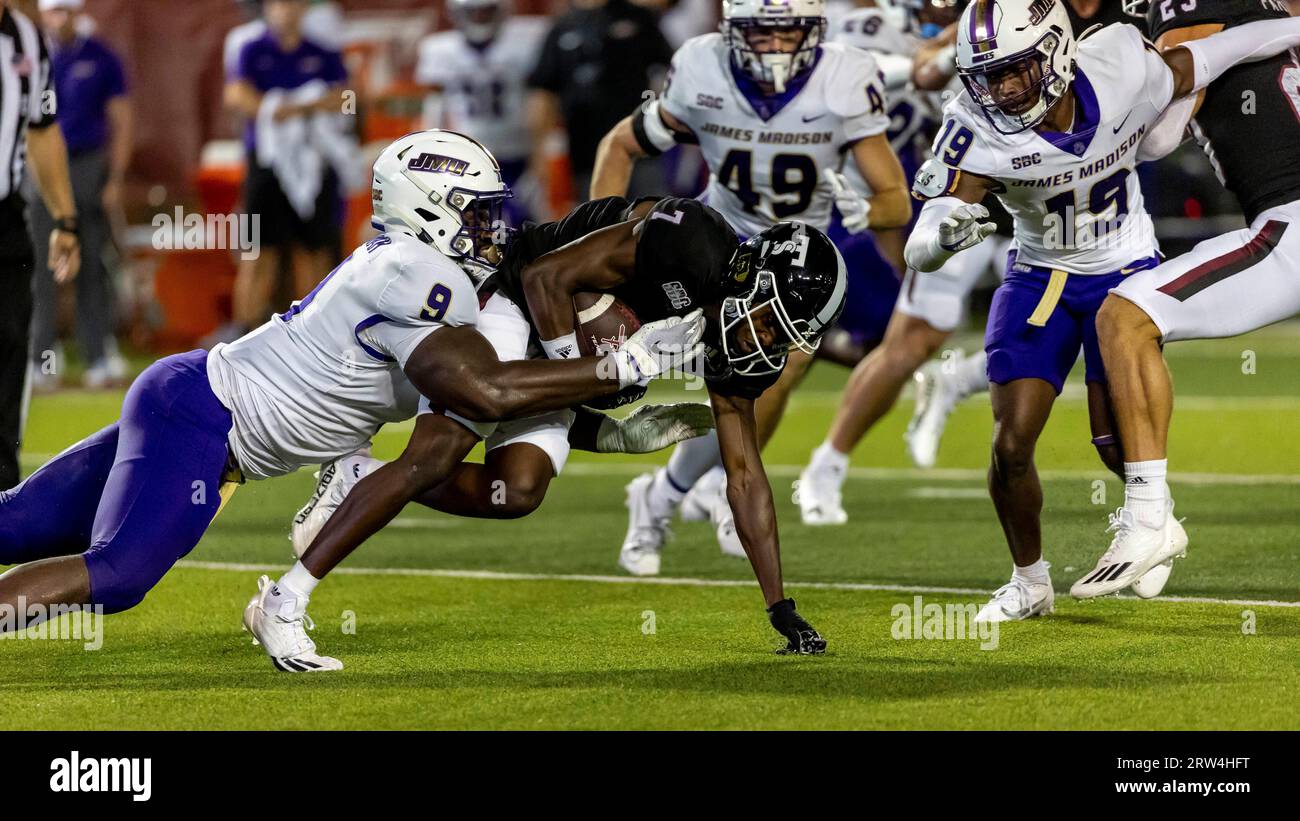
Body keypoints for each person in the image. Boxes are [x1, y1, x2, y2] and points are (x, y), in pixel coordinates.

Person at [0, 130, 701, 644]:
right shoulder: (419, 275)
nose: (492, 228)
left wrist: (597, 422)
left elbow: (485, 400)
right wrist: (625, 366)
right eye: (475, 210)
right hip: (203, 418)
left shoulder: (419, 270)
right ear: (432, 208)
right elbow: (486, 391)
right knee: (119, 573)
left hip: (195, 406)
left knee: (18, 525)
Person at [249, 201, 847, 669]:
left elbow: (744, 477)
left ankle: (358, 474)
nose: (762, 341)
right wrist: (579, 379)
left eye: (782, 336)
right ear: (750, 276)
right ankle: (287, 598)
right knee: (435, 456)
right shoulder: (688, 240)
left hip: (582, 349)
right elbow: (544, 275)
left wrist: (779, 605)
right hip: (514, 296)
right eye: (769, 319)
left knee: (517, 490)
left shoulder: (745, 349)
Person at [903, 0, 1300, 621]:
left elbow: (1206, 58)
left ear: (1058, 51)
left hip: (1125, 262)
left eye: (1016, 70)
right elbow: (922, 236)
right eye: (989, 76)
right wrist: (939, 239)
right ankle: (1030, 581)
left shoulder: (1116, 62)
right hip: (1042, 275)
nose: (1002, 90)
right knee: (1010, 446)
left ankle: (1153, 518)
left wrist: (1290, 28)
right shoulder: (973, 125)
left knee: (1114, 442)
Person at [589, 0, 911, 573]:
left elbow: (895, 199)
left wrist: (867, 210)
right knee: (749, 378)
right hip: (720, 238)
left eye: (790, 32)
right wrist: (601, 235)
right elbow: (621, 144)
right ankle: (704, 487)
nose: (777, 46)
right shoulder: (702, 68)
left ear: (813, 32)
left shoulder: (844, 78)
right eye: (762, 32)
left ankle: (667, 494)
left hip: (799, 253)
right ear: (733, 32)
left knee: (766, 380)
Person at [1071, 0, 1300, 598]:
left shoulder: (1190, 17)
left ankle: (1149, 518)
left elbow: (1158, 138)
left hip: (1292, 223)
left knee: (1124, 317)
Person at [797, 0, 1012, 529]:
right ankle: (827, 466)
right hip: (959, 194)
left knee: (1088, 324)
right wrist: (938, 51)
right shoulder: (873, 32)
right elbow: (868, 75)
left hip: (1041, 194)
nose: (940, 9)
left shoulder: (1006, 23)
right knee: (908, 342)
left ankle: (956, 380)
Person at [218, 0, 351, 344]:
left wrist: (285, 107)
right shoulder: (250, 48)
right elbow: (237, 96)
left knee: (315, 251)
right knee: (259, 252)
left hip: (314, 162)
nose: (285, 11)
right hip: (267, 165)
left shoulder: (322, 52)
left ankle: (316, 338)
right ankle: (242, 335)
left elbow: (348, 98)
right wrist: (305, 104)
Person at [27, 0, 130, 392]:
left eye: (66, 11)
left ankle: (97, 355)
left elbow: (122, 119)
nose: (60, 19)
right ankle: (41, 359)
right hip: (42, 168)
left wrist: (115, 179)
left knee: (91, 264)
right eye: (54, 11)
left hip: (87, 165)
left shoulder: (102, 56)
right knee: (40, 267)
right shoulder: (32, 56)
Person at [0, 0, 80, 491]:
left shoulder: (28, 41)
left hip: (5, 216)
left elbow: (43, 131)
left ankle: (1, 496)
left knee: (9, 349)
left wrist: (67, 218)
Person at [526, 0, 676, 211]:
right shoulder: (562, 27)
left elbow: (670, 69)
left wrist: (652, 110)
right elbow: (543, 92)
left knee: (652, 219)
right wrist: (540, 150)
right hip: (588, 150)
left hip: (639, 145)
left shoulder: (638, 17)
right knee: (600, 225)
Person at [416, 0, 547, 225]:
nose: (480, 17)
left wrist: (538, 163)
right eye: (473, 12)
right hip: (468, 155)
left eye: (487, 11)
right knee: (474, 225)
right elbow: (434, 109)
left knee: (527, 222)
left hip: (516, 151)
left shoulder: (526, 40)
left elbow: (540, 101)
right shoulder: (440, 49)